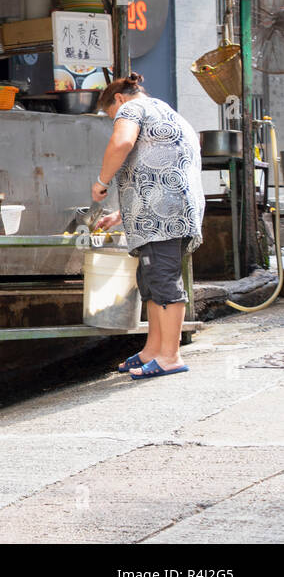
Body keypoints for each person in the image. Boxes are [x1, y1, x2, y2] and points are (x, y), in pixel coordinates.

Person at [91, 73, 204, 380]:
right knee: (152, 280)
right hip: (165, 211)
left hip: (163, 216)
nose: (114, 120)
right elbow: (156, 163)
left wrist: (102, 181)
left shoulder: (132, 109)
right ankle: (153, 351)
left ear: (118, 99)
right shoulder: (165, 111)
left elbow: (123, 142)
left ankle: (170, 356)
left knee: (164, 281)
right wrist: (120, 214)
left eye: (111, 115)